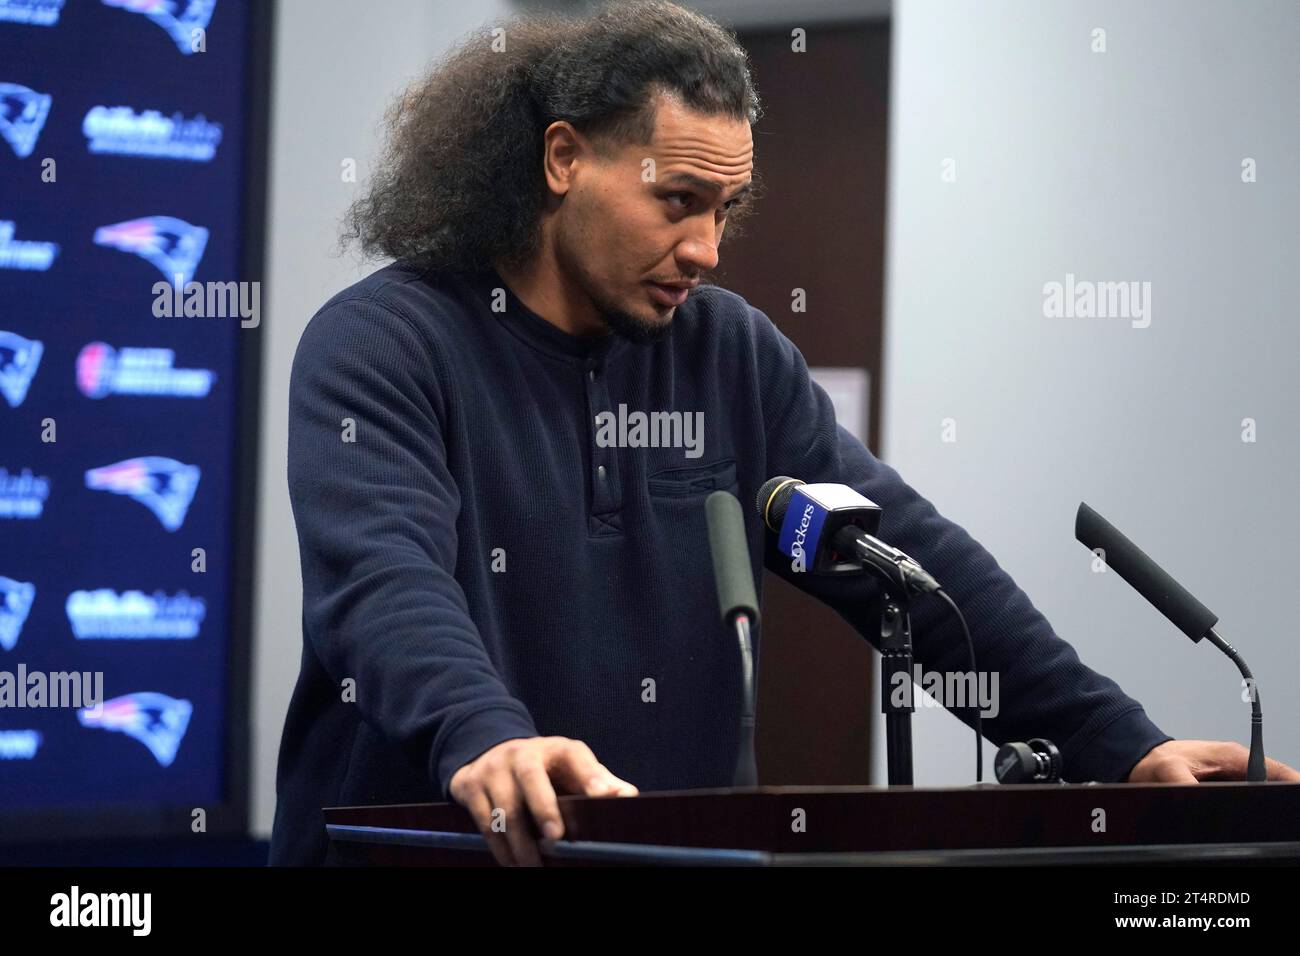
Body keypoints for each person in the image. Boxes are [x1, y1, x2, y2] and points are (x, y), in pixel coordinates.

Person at [269, 1, 1299, 866]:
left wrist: (1115, 743)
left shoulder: (729, 356)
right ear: (562, 158)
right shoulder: (382, 344)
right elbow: (384, 582)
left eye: (727, 209)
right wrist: (484, 734)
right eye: (677, 200)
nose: (706, 247)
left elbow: (913, 564)